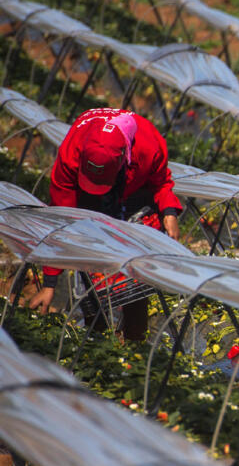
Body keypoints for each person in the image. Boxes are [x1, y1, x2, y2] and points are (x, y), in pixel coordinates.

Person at [22, 108, 182, 340]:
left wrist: (169, 212)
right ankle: (94, 340)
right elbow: (63, 218)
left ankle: (134, 344)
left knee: (134, 279)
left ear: (122, 158)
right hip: (89, 202)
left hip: (134, 195)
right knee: (91, 267)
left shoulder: (147, 145)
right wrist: (50, 282)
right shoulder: (72, 152)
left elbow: (161, 182)